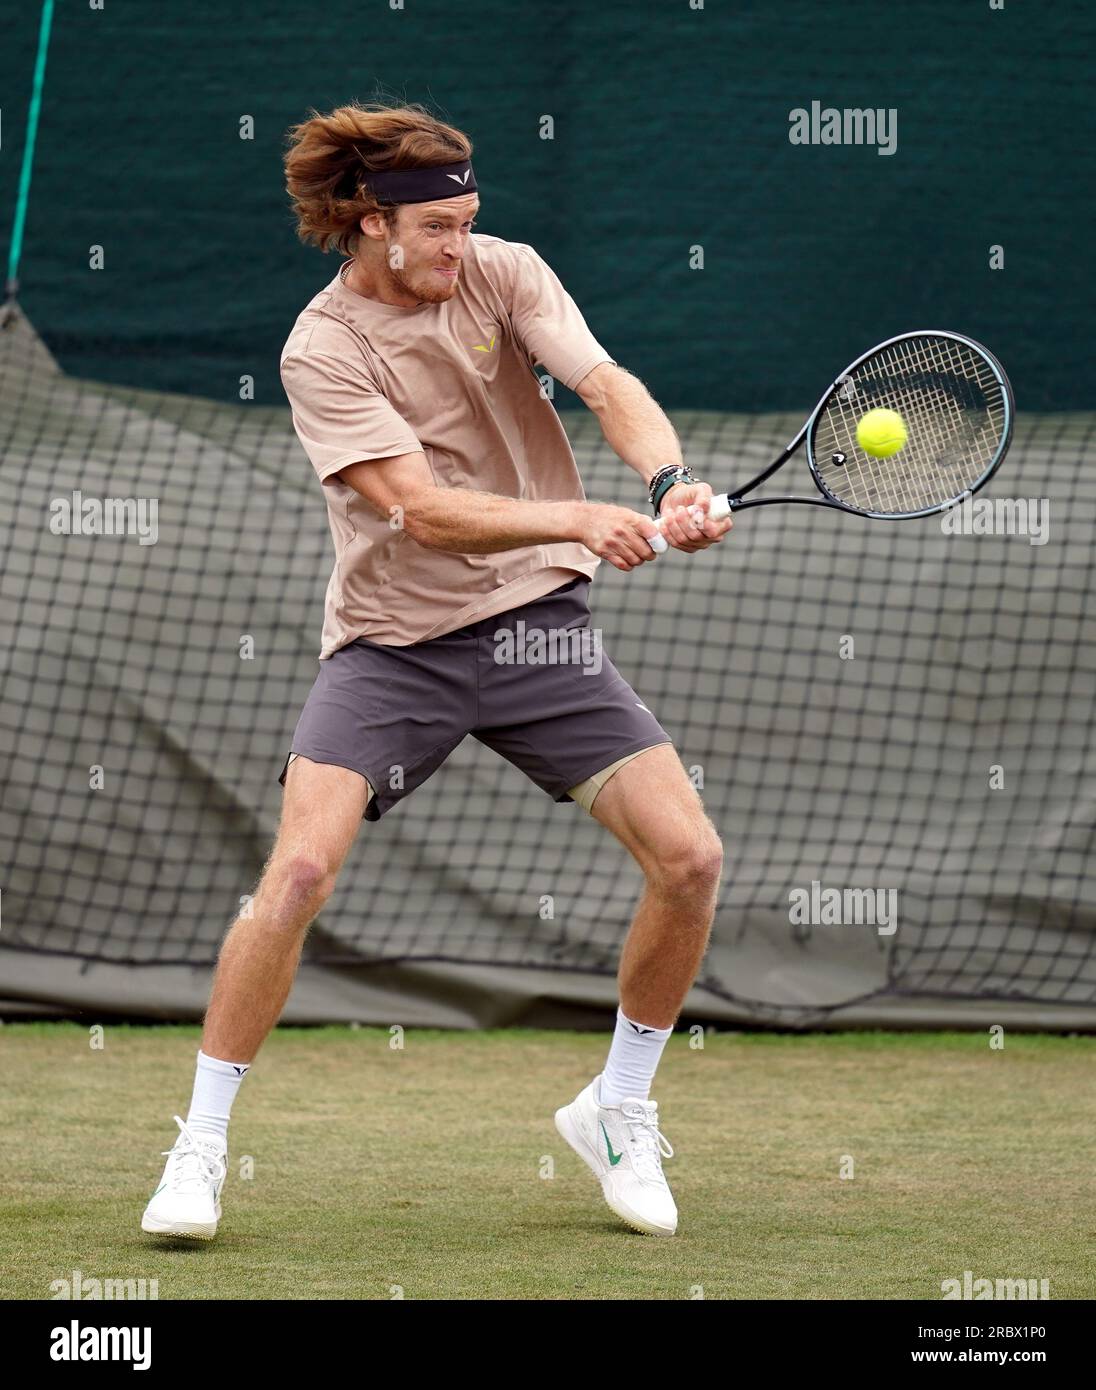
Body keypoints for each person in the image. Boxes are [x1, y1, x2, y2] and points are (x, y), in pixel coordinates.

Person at [142, 101, 730, 1243]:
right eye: (440, 229)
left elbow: (604, 383)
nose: (461, 247)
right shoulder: (321, 349)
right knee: (302, 870)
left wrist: (667, 483)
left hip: (536, 631)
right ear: (370, 223)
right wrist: (575, 515)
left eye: (470, 222)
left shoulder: (502, 273)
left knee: (691, 857)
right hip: (393, 647)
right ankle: (199, 1146)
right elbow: (418, 512)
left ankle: (617, 1106)